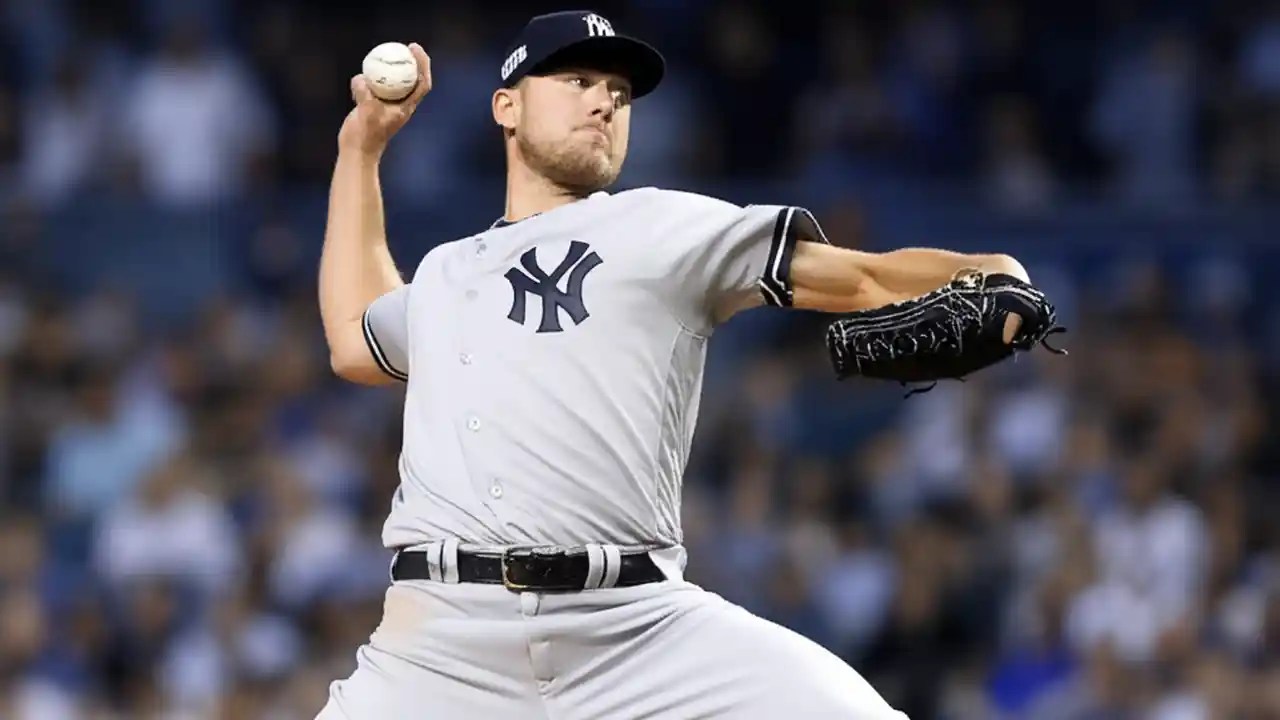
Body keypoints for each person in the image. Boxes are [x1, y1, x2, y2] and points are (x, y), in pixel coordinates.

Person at [316, 9, 1029, 718]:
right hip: (440, 643)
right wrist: (360, 148)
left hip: (637, 628)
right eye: (578, 81)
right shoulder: (447, 272)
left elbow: (862, 276)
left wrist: (989, 270)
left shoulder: (662, 227)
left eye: (619, 94)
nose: (605, 103)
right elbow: (353, 338)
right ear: (507, 106)